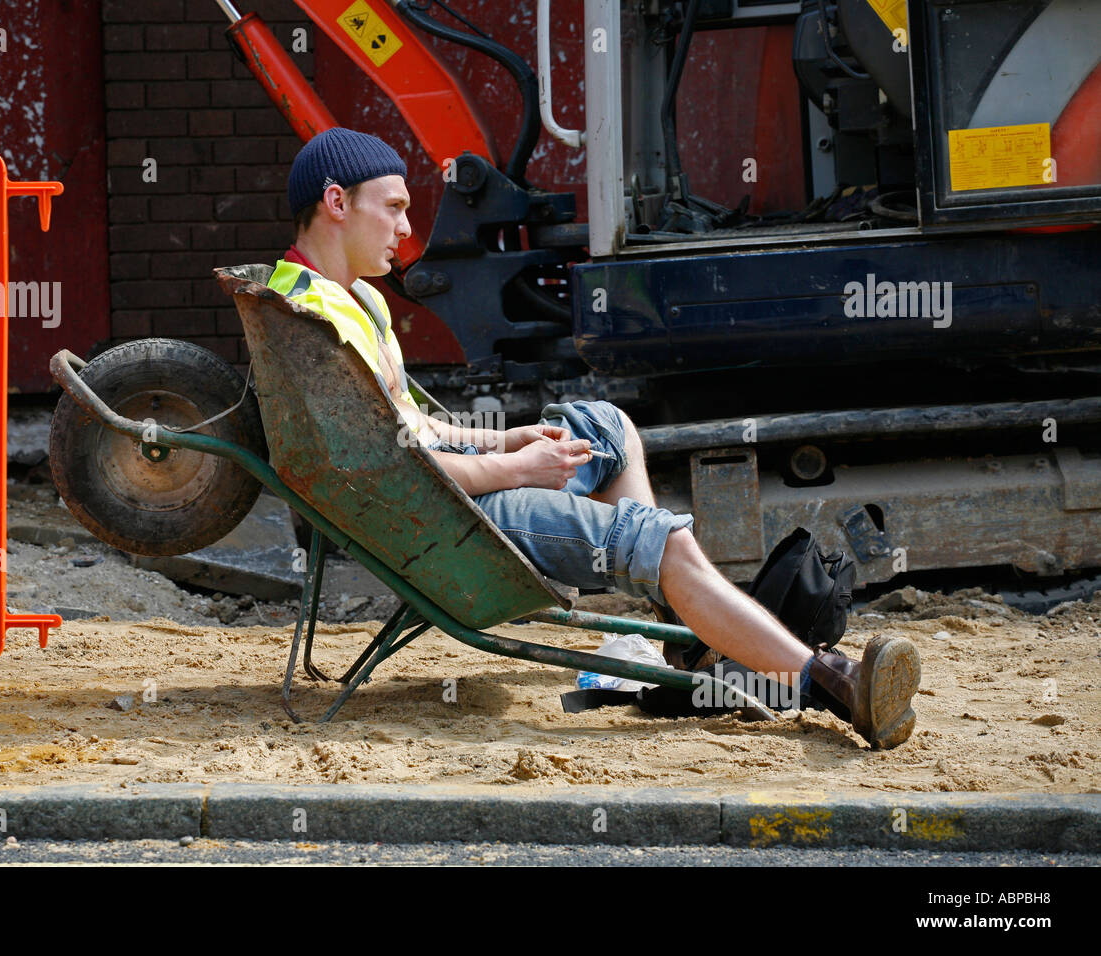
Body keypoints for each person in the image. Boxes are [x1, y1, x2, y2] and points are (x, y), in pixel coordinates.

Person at [265, 127, 921, 749]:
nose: (408, 229)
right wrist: (519, 469)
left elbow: (416, 427)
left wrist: (507, 439)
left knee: (608, 425)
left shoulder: (356, 300)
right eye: (394, 208)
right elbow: (383, 468)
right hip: (442, 518)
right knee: (665, 539)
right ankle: (832, 687)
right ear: (336, 203)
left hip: (447, 485)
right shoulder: (310, 321)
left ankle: (689, 638)